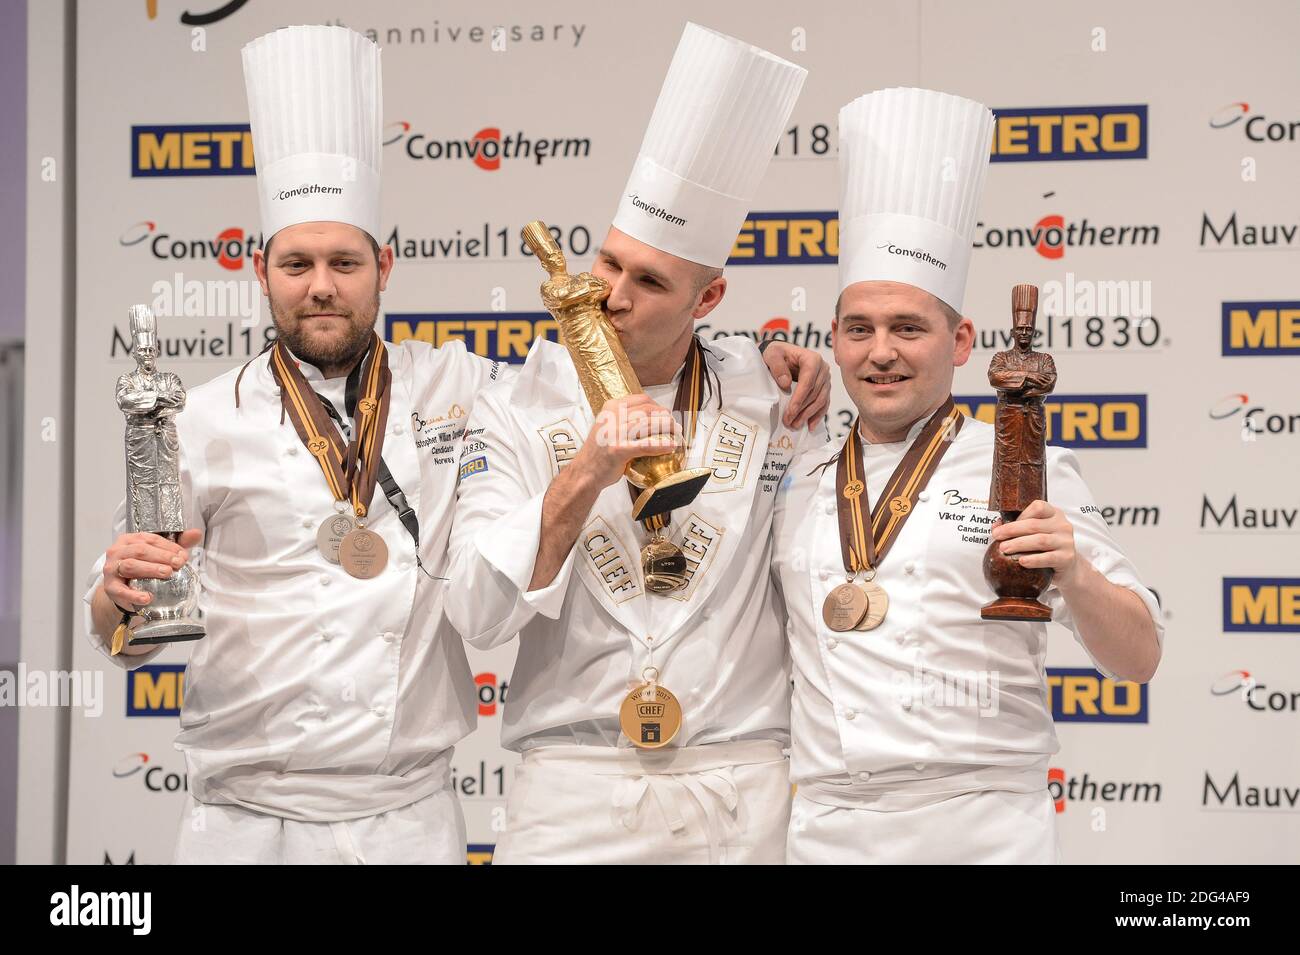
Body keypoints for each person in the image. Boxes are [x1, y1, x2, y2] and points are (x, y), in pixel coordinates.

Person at [84, 24, 826, 865]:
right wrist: (116, 599)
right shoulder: (202, 417)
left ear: (385, 268)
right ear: (262, 273)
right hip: (239, 816)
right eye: (296, 264)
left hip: (406, 814)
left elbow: (612, 366)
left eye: (343, 262)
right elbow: (128, 630)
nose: (320, 286)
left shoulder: (463, 385)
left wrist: (765, 359)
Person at [446, 23, 823, 864]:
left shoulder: (772, 395)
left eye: (649, 280)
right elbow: (476, 609)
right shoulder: (515, 405)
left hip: (737, 790)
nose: (608, 295)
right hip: (574, 789)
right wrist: (587, 469)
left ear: (709, 295)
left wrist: (815, 369)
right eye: (607, 262)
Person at [772, 86, 1164, 865]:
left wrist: (1076, 574)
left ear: (961, 341)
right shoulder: (799, 473)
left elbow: (1139, 657)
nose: (881, 351)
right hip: (827, 829)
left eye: (908, 327)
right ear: (836, 341)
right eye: (860, 328)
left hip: (982, 830)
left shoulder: (1022, 464)